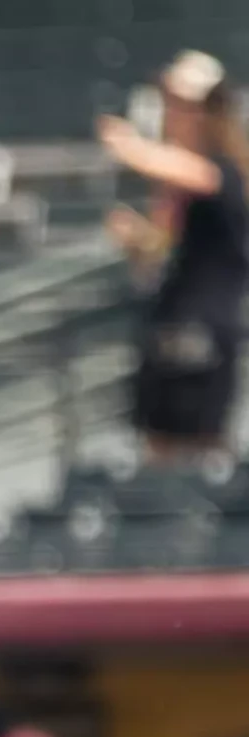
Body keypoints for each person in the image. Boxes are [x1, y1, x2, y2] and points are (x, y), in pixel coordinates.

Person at [99, 51, 249, 461]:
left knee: (200, 445)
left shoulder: (221, 168)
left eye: (183, 104)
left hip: (204, 330)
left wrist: (129, 145)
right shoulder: (183, 181)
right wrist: (137, 239)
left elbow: (189, 173)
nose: (172, 112)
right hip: (171, 322)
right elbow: (160, 249)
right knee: (159, 444)